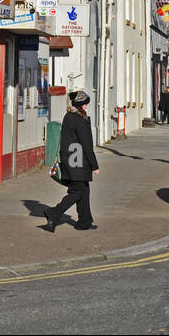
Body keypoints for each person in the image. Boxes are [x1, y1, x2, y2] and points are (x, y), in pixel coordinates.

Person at [42, 90, 100, 231]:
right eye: (85, 104)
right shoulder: (80, 120)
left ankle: (84, 221)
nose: (87, 106)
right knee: (78, 191)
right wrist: (94, 165)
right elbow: (86, 144)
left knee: (84, 190)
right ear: (79, 105)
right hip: (78, 162)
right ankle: (53, 213)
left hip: (70, 160)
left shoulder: (68, 116)